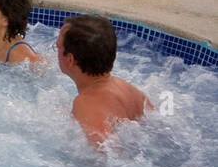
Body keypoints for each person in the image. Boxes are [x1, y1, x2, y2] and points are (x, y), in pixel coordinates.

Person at [56, 15, 152, 147]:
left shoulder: (85, 103)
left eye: (58, 47)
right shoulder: (128, 89)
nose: (56, 51)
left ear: (70, 60)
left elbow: (105, 158)